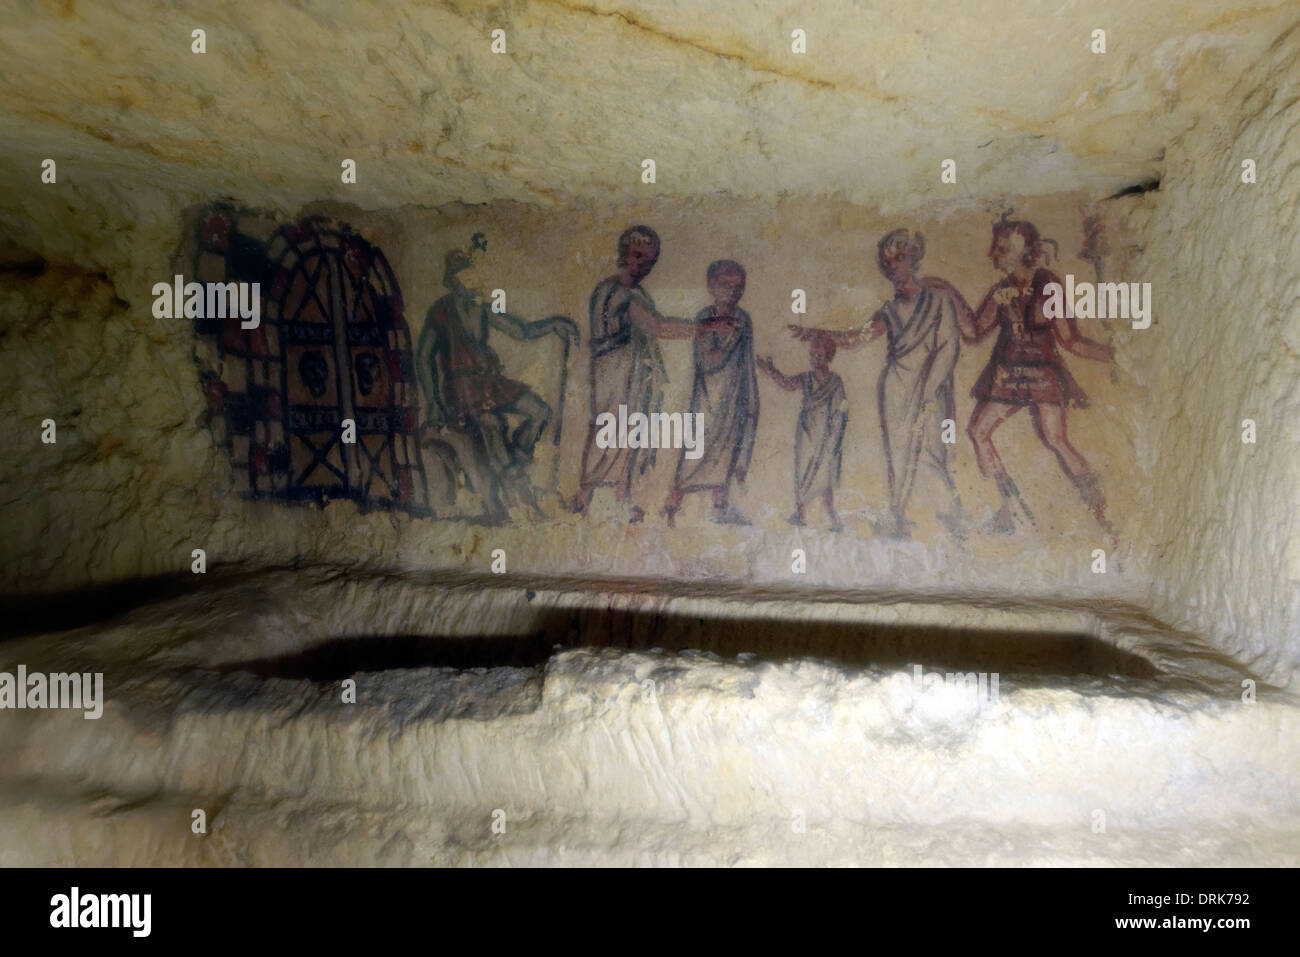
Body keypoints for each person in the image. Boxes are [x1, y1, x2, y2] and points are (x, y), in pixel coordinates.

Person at [792, 229, 974, 539]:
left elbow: (948, 348)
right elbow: (856, 337)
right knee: (898, 454)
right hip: (894, 388)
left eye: (899, 259)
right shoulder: (889, 311)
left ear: (913, 259)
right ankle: (898, 516)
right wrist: (818, 333)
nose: (892, 267)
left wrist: (929, 393)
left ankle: (951, 517)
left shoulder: (939, 301)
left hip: (929, 387)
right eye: (886, 262)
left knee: (932, 450)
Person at [965, 216, 1115, 535]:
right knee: (979, 431)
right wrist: (948, 296)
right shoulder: (1001, 290)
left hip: (1042, 371)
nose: (994, 253)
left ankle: (1101, 510)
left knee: (1057, 440)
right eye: (997, 247)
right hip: (1008, 372)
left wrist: (1114, 357)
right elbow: (974, 331)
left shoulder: (1047, 284)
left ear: (1022, 251)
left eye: (1002, 248)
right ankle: (1010, 509)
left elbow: (1070, 340)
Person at [416, 241, 578, 523]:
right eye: (467, 276)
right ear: (453, 279)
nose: (475, 283)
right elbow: (423, 357)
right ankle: (521, 500)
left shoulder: (481, 309)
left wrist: (552, 324)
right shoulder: (440, 312)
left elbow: (521, 331)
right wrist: (432, 400)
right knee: (491, 426)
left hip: (491, 383)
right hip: (462, 389)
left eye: (475, 276)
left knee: (540, 413)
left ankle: (514, 459)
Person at [572, 225, 712, 523]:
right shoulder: (618, 292)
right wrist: (705, 327)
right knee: (609, 430)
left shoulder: (631, 292)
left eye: (649, 260)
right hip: (615, 368)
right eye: (637, 256)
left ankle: (620, 495)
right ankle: (584, 498)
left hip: (626, 369)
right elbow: (658, 327)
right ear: (623, 253)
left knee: (627, 433)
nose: (642, 265)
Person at [664, 260, 759, 526]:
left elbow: (747, 362)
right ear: (711, 286)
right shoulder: (705, 318)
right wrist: (729, 339)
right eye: (725, 284)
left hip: (733, 397)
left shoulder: (743, 319)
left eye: (737, 286)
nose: (732, 291)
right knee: (696, 452)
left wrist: (750, 399)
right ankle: (673, 506)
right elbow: (707, 362)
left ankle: (720, 506)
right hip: (708, 398)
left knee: (727, 452)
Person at [758, 332, 848, 531]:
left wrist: (835, 437)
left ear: (828, 358)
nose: (815, 359)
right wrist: (770, 370)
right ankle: (800, 513)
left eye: (820, 356)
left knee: (826, 475)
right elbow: (787, 384)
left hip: (826, 434)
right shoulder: (806, 378)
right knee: (802, 471)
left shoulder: (835, 382)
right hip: (807, 432)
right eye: (812, 355)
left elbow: (841, 410)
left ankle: (831, 514)